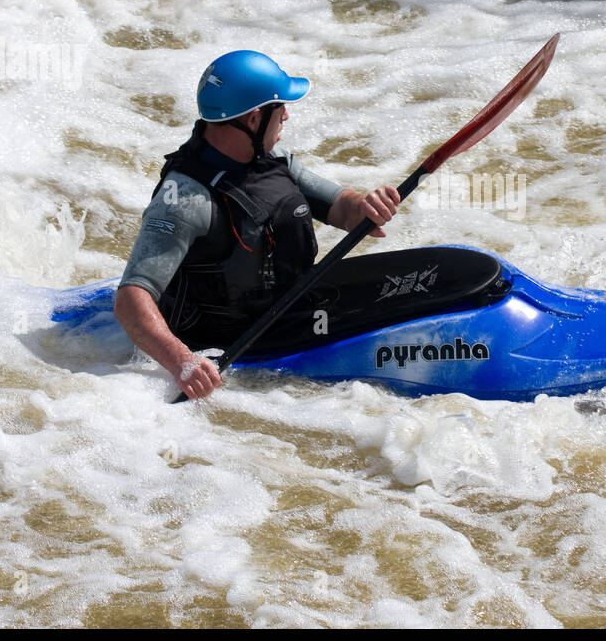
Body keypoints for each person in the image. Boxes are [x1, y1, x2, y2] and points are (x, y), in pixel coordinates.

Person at [114, 50, 400, 400]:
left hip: (285, 314)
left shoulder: (272, 160)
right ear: (253, 120)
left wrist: (367, 205)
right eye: (280, 109)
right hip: (224, 344)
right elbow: (130, 300)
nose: (287, 117)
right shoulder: (184, 199)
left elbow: (342, 209)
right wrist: (182, 362)